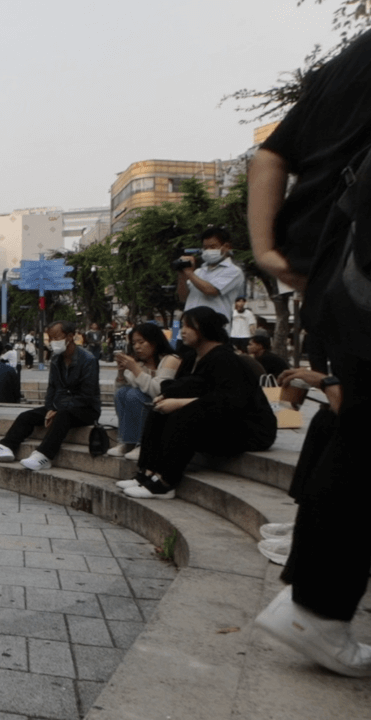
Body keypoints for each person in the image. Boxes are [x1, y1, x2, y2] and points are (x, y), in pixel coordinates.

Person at [243, 27, 371, 677]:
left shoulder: (358, 56)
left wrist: (269, 252)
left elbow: (271, 155)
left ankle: (315, 598)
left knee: (354, 429)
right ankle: (317, 604)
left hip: (333, 279)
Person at [118, 307, 276, 500]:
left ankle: (165, 483)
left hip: (249, 429)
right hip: (217, 419)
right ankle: (146, 473)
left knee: (185, 413)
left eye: (188, 326)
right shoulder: (192, 357)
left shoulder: (225, 359)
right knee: (159, 409)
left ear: (204, 329)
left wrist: (180, 403)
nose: (182, 331)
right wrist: (165, 395)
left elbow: (229, 401)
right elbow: (186, 385)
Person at [0, 321, 100, 471]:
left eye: (56, 337)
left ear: (69, 337)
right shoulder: (56, 359)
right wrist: (50, 408)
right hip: (60, 406)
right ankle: (6, 446)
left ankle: (44, 455)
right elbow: (52, 388)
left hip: (86, 409)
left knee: (63, 416)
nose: (53, 342)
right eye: (50, 338)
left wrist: (58, 408)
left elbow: (86, 395)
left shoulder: (88, 360)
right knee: (27, 416)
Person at [108, 324, 181, 460]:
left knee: (134, 394)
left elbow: (158, 391)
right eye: (134, 343)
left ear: (155, 341)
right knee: (123, 392)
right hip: (148, 407)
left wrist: (135, 369)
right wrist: (121, 374)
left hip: (166, 408)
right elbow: (121, 395)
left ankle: (142, 444)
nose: (137, 347)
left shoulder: (170, 359)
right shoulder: (139, 363)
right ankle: (127, 442)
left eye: (141, 342)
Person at [176, 227, 246, 324]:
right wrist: (182, 274)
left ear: (226, 247)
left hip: (214, 327)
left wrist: (189, 272)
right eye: (205, 248)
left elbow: (210, 290)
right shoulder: (198, 272)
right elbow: (183, 297)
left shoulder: (234, 271)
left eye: (212, 247)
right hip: (191, 326)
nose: (208, 251)